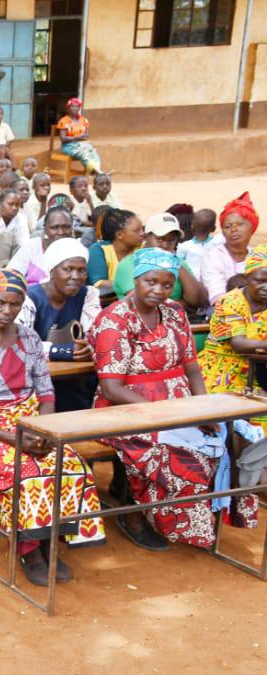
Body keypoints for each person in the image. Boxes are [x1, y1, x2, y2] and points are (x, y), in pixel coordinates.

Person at [90, 246, 257, 550]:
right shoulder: (113, 320)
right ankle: (136, 516)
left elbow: (192, 369)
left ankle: (196, 521)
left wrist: (202, 411)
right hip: (126, 409)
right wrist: (168, 417)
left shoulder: (175, 312)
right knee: (181, 457)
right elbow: (113, 388)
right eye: (150, 282)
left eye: (167, 285)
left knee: (225, 442)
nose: (159, 291)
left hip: (178, 404)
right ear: (136, 280)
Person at [0, 269, 104, 585]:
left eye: (14, 304)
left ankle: (51, 539)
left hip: (31, 420)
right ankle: (29, 548)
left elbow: (46, 391)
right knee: (25, 471)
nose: (7, 311)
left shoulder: (31, 338)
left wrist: (43, 428)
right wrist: (15, 438)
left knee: (71, 465)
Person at [16, 238, 100, 411]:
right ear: (52, 270)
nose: (76, 277)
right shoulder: (30, 298)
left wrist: (88, 347)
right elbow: (22, 343)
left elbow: (95, 333)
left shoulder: (88, 295)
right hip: (36, 379)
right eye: (68, 269)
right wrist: (63, 351)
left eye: (81, 270)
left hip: (76, 378)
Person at [197, 245, 267, 425]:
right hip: (223, 372)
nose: (265, 287)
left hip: (259, 372)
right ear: (247, 278)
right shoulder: (231, 301)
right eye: (260, 280)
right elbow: (239, 343)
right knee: (243, 420)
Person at [111, 212, 207, 310]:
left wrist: (176, 265)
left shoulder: (178, 262)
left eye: (171, 241)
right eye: (160, 239)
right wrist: (184, 305)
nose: (165, 246)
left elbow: (197, 300)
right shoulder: (130, 264)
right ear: (145, 237)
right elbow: (145, 305)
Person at [203, 192, 258, 303]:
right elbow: (216, 296)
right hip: (224, 311)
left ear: (252, 227)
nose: (233, 229)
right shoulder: (214, 255)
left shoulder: (258, 256)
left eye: (240, 224)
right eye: (227, 226)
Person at [87, 208, 143, 292]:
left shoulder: (142, 247)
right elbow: (99, 284)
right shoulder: (99, 250)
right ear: (119, 235)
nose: (142, 233)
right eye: (137, 231)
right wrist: (134, 285)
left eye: (142, 229)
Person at [55, 97, 101, 174]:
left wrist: (85, 136)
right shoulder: (64, 121)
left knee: (93, 152)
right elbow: (62, 138)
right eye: (73, 106)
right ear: (68, 108)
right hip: (69, 146)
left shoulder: (83, 120)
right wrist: (76, 138)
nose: (75, 108)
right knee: (83, 154)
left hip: (82, 144)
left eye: (77, 106)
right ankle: (96, 172)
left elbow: (86, 134)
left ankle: (98, 170)